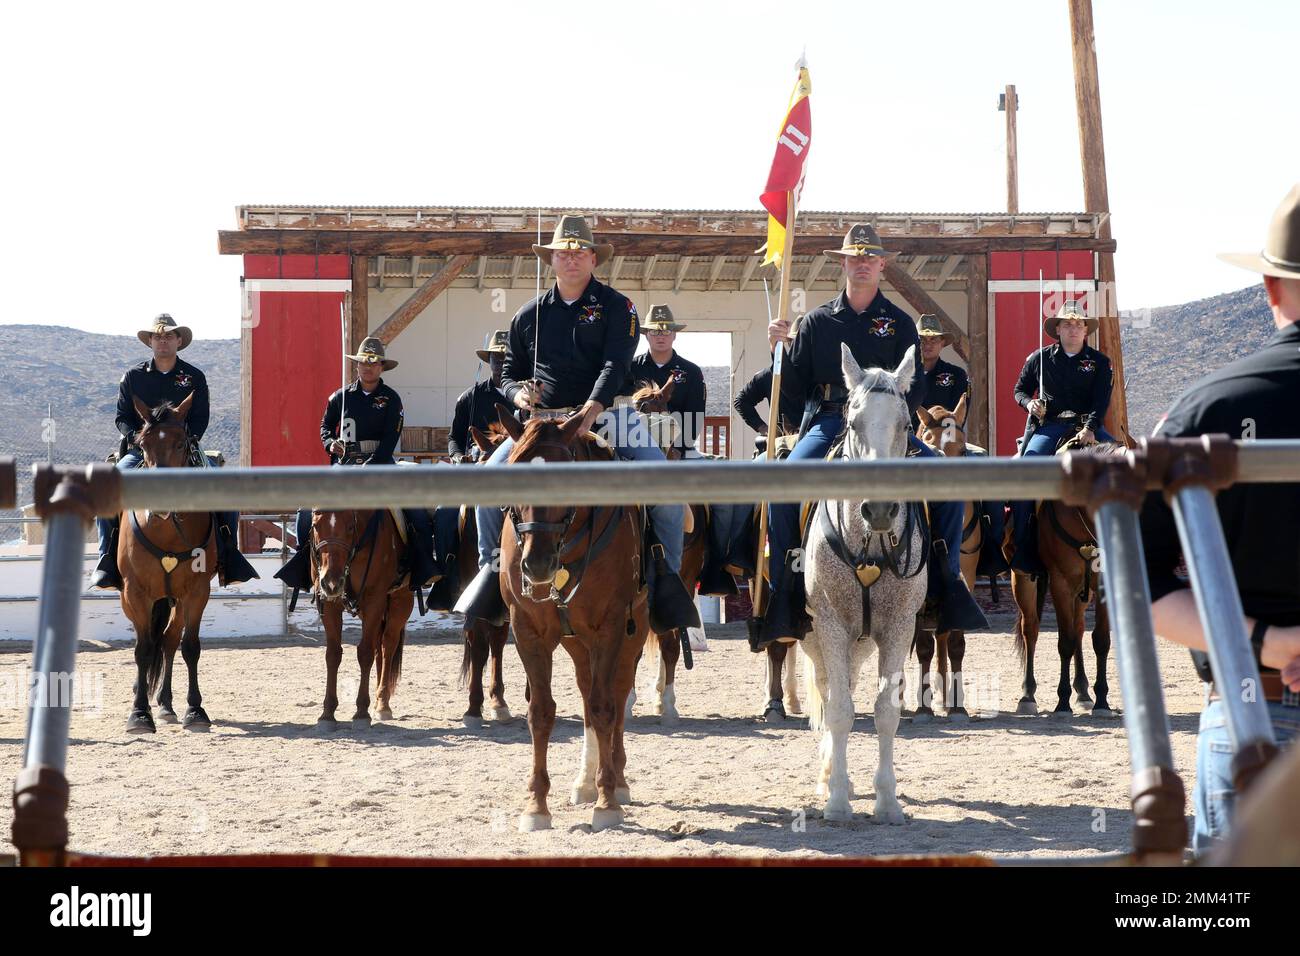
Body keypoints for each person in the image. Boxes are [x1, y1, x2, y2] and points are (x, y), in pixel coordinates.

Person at [1139, 183, 1300, 854]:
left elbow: (1139, 584)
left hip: (1253, 707)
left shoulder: (1209, 408)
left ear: (1269, 287)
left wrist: (1267, 640)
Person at [455, 214, 699, 633]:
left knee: (666, 490)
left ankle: (666, 583)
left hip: (610, 416)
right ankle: (492, 575)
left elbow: (615, 364)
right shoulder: (529, 314)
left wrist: (591, 409)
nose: (571, 259)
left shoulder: (619, 307)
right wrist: (517, 395)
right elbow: (509, 372)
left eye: (580, 252)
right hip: (541, 422)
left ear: (593, 258)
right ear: (550, 259)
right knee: (486, 484)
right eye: (563, 253)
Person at [755, 223, 986, 649]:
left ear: (882, 265)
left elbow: (916, 387)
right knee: (783, 482)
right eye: (854, 258)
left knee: (948, 481)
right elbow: (793, 391)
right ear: (843, 264)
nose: (862, 264)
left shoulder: (900, 323)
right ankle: (786, 590)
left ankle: (946, 582)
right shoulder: (816, 321)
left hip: (888, 426)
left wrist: (893, 418)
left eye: (870, 258)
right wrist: (778, 354)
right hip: (830, 420)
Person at [92, 314, 257, 590]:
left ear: (179, 341)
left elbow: (200, 417)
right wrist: (138, 439)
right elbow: (122, 417)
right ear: (150, 342)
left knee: (226, 489)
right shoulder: (133, 377)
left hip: (184, 449)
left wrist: (186, 442)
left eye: (169, 336)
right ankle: (106, 560)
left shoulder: (194, 377)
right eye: (157, 337)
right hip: (142, 450)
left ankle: (230, 556)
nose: (163, 341)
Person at [275, 337, 439, 593]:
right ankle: (303, 561)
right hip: (344, 464)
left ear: (381, 367)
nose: (367, 367)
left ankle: (422, 564)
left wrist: (371, 465)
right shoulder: (339, 397)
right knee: (308, 509)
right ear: (357, 365)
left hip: (380, 464)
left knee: (414, 509)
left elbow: (390, 438)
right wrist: (330, 443)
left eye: (373, 363)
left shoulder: (391, 399)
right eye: (363, 362)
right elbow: (325, 426)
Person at [1007, 299, 1116, 574]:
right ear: (1057, 329)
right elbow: (1019, 390)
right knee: (1025, 473)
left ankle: (1132, 546)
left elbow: (1101, 401)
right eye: (1067, 324)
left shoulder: (1100, 362)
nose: (1073, 329)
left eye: (1078, 324)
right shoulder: (1039, 359)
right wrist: (1029, 404)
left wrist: (1089, 428)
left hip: (1090, 427)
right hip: (1051, 426)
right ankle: (1024, 547)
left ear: (1085, 330)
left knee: (1123, 466)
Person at [628, 304, 706, 456]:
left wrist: (677, 450)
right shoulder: (630, 368)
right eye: (654, 331)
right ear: (646, 334)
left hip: (679, 448)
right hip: (636, 444)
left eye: (666, 331)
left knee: (704, 469)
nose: (660, 336)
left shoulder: (692, 372)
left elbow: (695, 416)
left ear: (674, 334)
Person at [448, 330, 511, 462]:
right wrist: (459, 458)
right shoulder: (470, 397)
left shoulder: (527, 398)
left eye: (506, 356)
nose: (501, 361)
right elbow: (455, 438)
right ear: (489, 359)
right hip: (479, 464)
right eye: (496, 356)